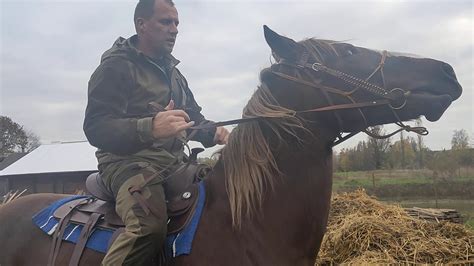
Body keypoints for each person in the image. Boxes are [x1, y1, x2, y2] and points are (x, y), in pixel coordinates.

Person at [83, 0, 229, 264]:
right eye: (165, 22)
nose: (174, 29)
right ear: (141, 25)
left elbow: (191, 117)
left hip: (173, 163)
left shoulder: (174, 74)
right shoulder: (116, 67)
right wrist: (149, 127)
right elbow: (96, 126)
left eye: (176, 23)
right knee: (148, 229)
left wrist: (214, 132)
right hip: (126, 163)